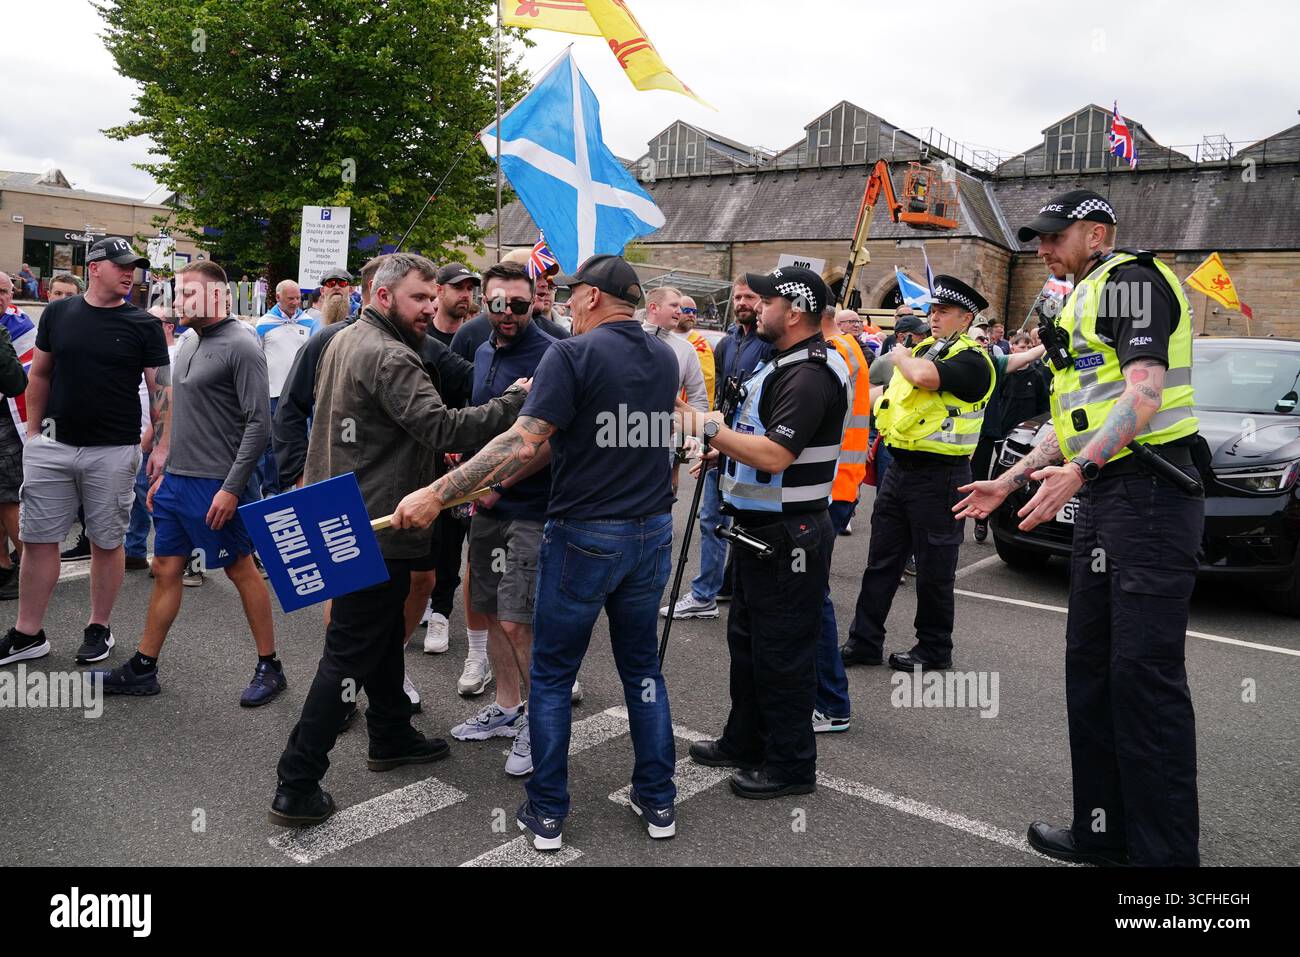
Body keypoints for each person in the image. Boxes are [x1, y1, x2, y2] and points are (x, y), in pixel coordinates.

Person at [392, 254, 679, 851]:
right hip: (650, 531)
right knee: (643, 671)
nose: (565, 306)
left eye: (573, 297)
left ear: (595, 299)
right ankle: (658, 798)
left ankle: (547, 810)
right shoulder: (662, 356)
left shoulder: (569, 354)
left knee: (549, 677)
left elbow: (522, 441)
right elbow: (572, 438)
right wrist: (481, 486)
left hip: (585, 535)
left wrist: (437, 493)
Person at [954, 189, 1203, 867]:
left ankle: (1164, 866)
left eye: (1052, 236)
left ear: (1096, 233)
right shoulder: (1085, 295)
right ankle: (1103, 831)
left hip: (1150, 495)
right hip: (1109, 494)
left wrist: (1083, 470)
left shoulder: (1133, 284)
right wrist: (1012, 477)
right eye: (1035, 238)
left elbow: (1144, 394)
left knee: (1142, 683)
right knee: (1091, 672)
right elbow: (1080, 420)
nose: (1039, 249)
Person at [269, 253, 528, 827]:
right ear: (383, 296)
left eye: (434, 299)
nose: (430, 309)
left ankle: (390, 732)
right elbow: (442, 428)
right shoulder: (391, 355)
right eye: (420, 299)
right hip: (377, 523)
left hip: (343, 512)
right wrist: (514, 403)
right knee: (348, 655)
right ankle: (297, 781)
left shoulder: (346, 337)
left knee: (382, 635)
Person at [680, 266, 849, 800]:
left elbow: (777, 455)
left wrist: (707, 426)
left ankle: (791, 766)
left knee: (782, 653)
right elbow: (756, 437)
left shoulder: (809, 372)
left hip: (789, 534)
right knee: (749, 643)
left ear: (793, 311)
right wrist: (721, 452)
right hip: (761, 530)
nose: (755, 306)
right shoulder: (784, 362)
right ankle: (745, 740)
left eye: (766, 299)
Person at [92, 261, 279, 703]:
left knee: (240, 570)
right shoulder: (191, 340)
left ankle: (270, 665)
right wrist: (165, 468)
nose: (178, 303)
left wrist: (232, 488)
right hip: (178, 481)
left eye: (189, 295)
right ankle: (144, 666)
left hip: (218, 483)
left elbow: (260, 426)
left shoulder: (243, 345)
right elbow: (178, 409)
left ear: (220, 297)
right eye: (177, 294)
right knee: (165, 568)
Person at [0, 237, 168, 669]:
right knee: (37, 541)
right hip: (52, 448)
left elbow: (162, 389)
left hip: (113, 450)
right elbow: (39, 374)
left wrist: (161, 443)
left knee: (106, 541)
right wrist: (35, 435)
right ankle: (27, 633)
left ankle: (99, 627)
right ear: (95, 267)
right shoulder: (58, 312)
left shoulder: (143, 324)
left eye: (134, 267)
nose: (130, 273)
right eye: (121, 265)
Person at [840, 276, 995, 673]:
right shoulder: (926, 349)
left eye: (943, 312)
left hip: (942, 476)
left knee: (934, 570)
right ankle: (864, 641)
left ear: (966, 318)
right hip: (901, 470)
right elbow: (884, 393)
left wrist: (900, 355)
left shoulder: (974, 359)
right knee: (881, 563)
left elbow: (923, 378)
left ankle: (934, 648)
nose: (934, 317)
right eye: (933, 311)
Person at [449, 261, 559, 777]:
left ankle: (540, 725)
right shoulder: (482, 349)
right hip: (486, 507)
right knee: (491, 610)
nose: (509, 313)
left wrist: (497, 483)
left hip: (531, 511)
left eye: (519, 303)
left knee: (520, 620)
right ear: (485, 303)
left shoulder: (553, 354)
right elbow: (486, 427)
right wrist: (465, 465)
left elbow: (549, 442)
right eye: (499, 304)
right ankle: (508, 709)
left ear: (534, 300)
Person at [661, 277, 769, 619]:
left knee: (743, 521)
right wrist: (711, 435)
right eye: (737, 296)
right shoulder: (728, 343)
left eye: (748, 296)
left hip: (752, 446)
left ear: (762, 302)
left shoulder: (768, 345)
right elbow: (723, 395)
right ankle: (709, 591)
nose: (741, 302)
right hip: (721, 440)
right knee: (711, 518)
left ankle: (719, 589)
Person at [970, 332, 1049, 542]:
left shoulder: (1034, 376)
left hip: (1024, 439)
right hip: (996, 435)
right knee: (979, 479)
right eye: (1019, 347)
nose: (982, 345)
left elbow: (1044, 409)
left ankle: (1012, 518)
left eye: (984, 341)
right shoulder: (997, 374)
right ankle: (975, 522)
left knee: (1009, 479)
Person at [254, 279, 314, 495]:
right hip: (273, 393)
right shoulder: (263, 324)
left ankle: (296, 486)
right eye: (291, 298)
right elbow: (257, 359)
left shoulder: (309, 323)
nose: (296, 302)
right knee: (272, 444)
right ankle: (271, 488)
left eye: (298, 298)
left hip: (301, 395)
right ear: (278, 298)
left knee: (301, 441)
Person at [0, 273, 32, 600]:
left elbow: (24, 380)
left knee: (10, 498)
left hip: (10, 423)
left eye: (3, 291)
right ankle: (4, 563)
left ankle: (28, 568)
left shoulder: (19, 326)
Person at [640, 286, 707, 413]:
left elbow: (699, 400)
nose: (679, 311)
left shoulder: (687, 349)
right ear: (653, 308)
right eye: (674, 305)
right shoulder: (628, 340)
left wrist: (683, 428)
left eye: (680, 307)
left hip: (667, 430)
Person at [675, 295, 715, 410]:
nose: (691, 315)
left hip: (689, 411)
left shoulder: (701, 344)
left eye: (694, 312)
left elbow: (707, 381)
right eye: (687, 311)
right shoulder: (663, 337)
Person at [427, 263, 480, 346]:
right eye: (458, 287)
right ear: (439, 291)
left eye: (470, 288)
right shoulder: (420, 335)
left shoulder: (478, 338)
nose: (466, 295)